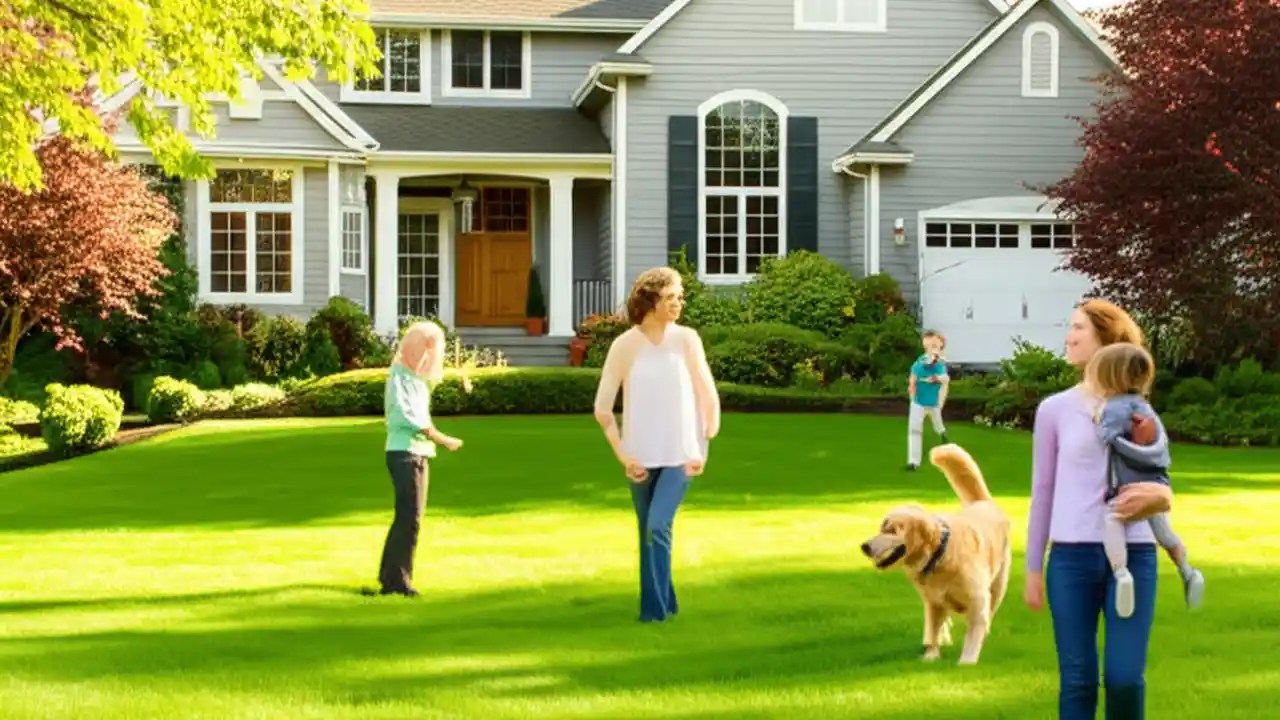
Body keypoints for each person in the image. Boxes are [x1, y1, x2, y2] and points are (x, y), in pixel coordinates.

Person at [1024, 298, 1176, 719]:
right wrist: (1033, 568)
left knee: (1126, 677)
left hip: (1135, 554)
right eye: (1069, 326)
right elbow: (1043, 490)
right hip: (1070, 559)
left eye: (1079, 329)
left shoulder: (1138, 408)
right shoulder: (1054, 409)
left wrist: (1163, 498)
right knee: (1078, 679)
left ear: (1107, 340)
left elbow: (1159, 476)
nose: (1068, 337)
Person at [593, 267, 720, 623]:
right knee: (647, 532)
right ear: (650, 301)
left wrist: (702, 449)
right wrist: (623, 456)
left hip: (682, 455)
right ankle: (667, 601)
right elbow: (602, 410)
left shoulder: (687, 340)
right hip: (639, 458)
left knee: (657, 525)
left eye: (680, 297)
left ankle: (654, 613)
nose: (679, 303)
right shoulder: (625, 346)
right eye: (671, 297)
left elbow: (708, 398)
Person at [1086, 342, 1204, 618]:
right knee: (1162, 531)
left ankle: (1122, 573)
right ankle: (1187, 571)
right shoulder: (1146, 408)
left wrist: (1096, 421)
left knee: (1113, 519)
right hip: (1157, 485)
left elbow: (1105, 439)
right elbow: (1155, 442)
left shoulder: (1113, 408)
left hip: (1130, 486)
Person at [373, 321, 463, 598]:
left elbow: (429, 381)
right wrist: (442, 438)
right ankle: (396, 582)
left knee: (410, 517)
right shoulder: (400, 377)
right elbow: (410, 417)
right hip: (405, 453)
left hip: (416, 453)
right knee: (409, 518)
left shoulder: (413, 378)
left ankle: (391, 575)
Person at [906, 329, 950, 471]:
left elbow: (945, 378)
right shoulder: (919, 362)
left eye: (935, 345)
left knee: (937, 424)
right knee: (914, 430)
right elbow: (914, 374)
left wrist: (936, 378)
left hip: (933, 403)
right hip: (918, 402)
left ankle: (942, 434)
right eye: (929, 345)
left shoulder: (940, 365)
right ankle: (913, 462)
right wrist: (912, 386)